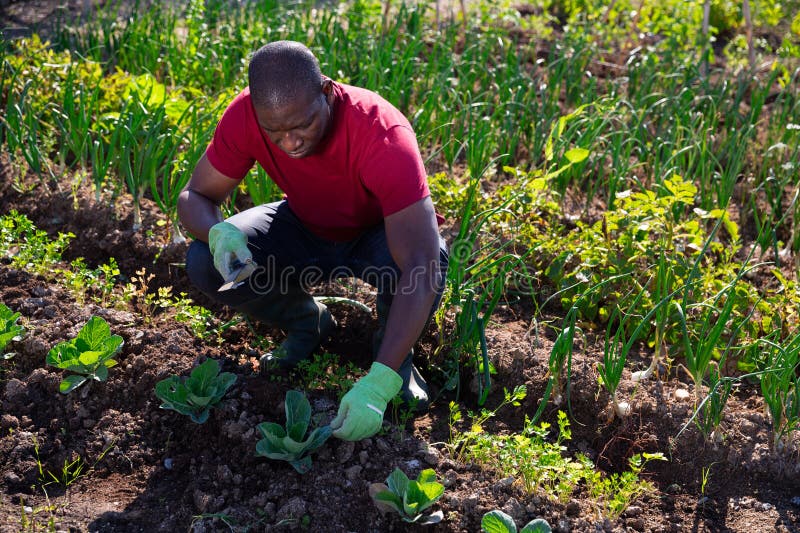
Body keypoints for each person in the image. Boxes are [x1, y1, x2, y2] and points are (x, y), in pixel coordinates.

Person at [177, 40, 448, 442]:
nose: (291, 143)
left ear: (325, 91)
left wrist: (379, 384)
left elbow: (421, 263)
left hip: (377, 235)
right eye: (275, 133)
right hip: (305, 224)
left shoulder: (380, 133)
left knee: (426, 264)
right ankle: (308, 323)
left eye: (303, 125)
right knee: (204, 261)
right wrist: (219, 231)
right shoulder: (245, 116)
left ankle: (395, 363)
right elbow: (195, 196)